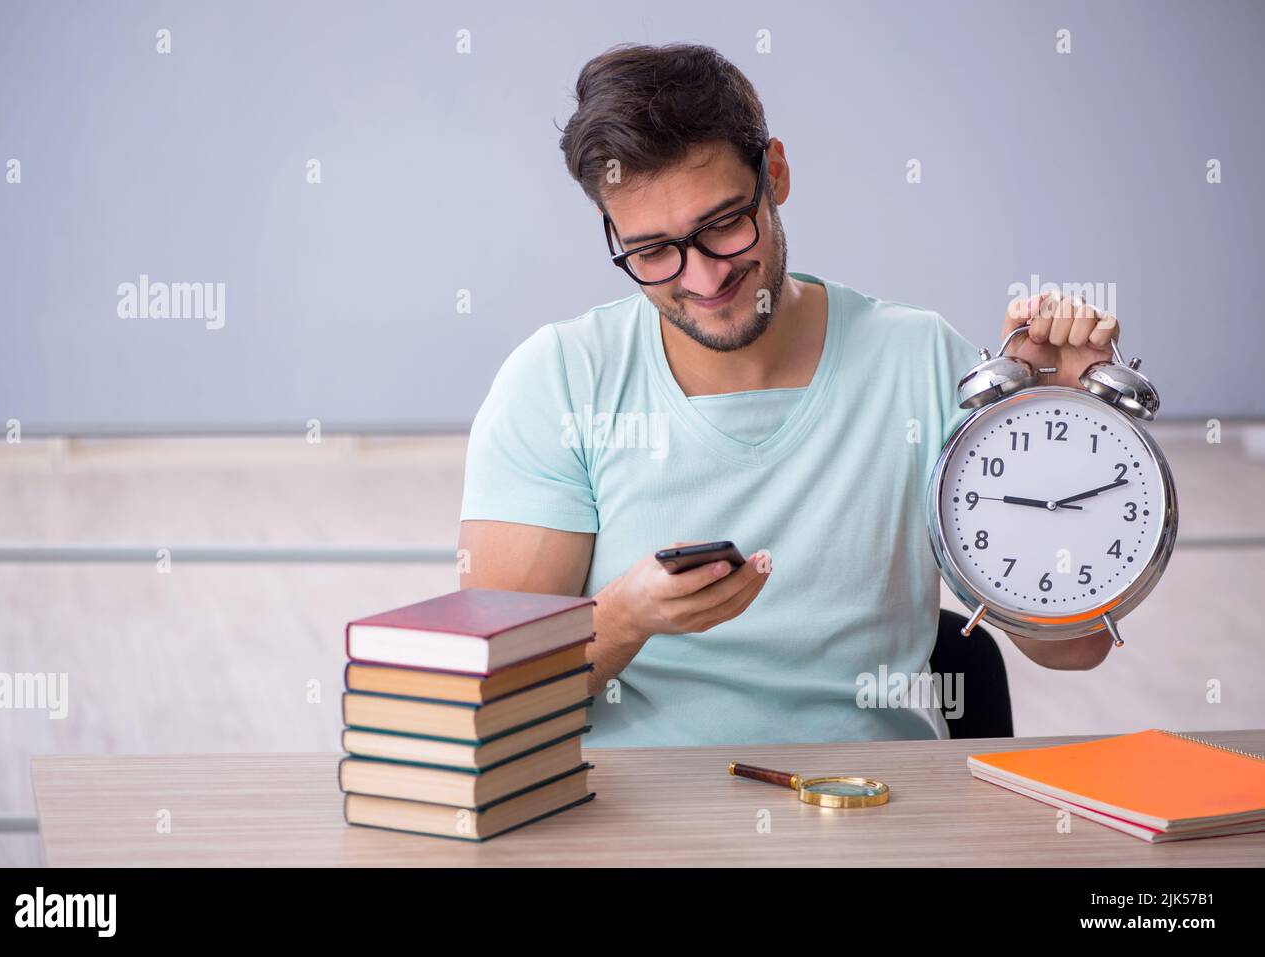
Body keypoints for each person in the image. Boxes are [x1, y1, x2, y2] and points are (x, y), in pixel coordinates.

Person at [457, 43, 1120, 747]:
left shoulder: (921, 359)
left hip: (874, 809)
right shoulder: (559, 378)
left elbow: (1074, 646)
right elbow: (489, 692)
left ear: (773, 172)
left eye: (722, 227)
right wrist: (624, 617)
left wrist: (1070, 429)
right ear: (613, 233)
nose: (704, 280)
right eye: (653, 252)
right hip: (635, 821)